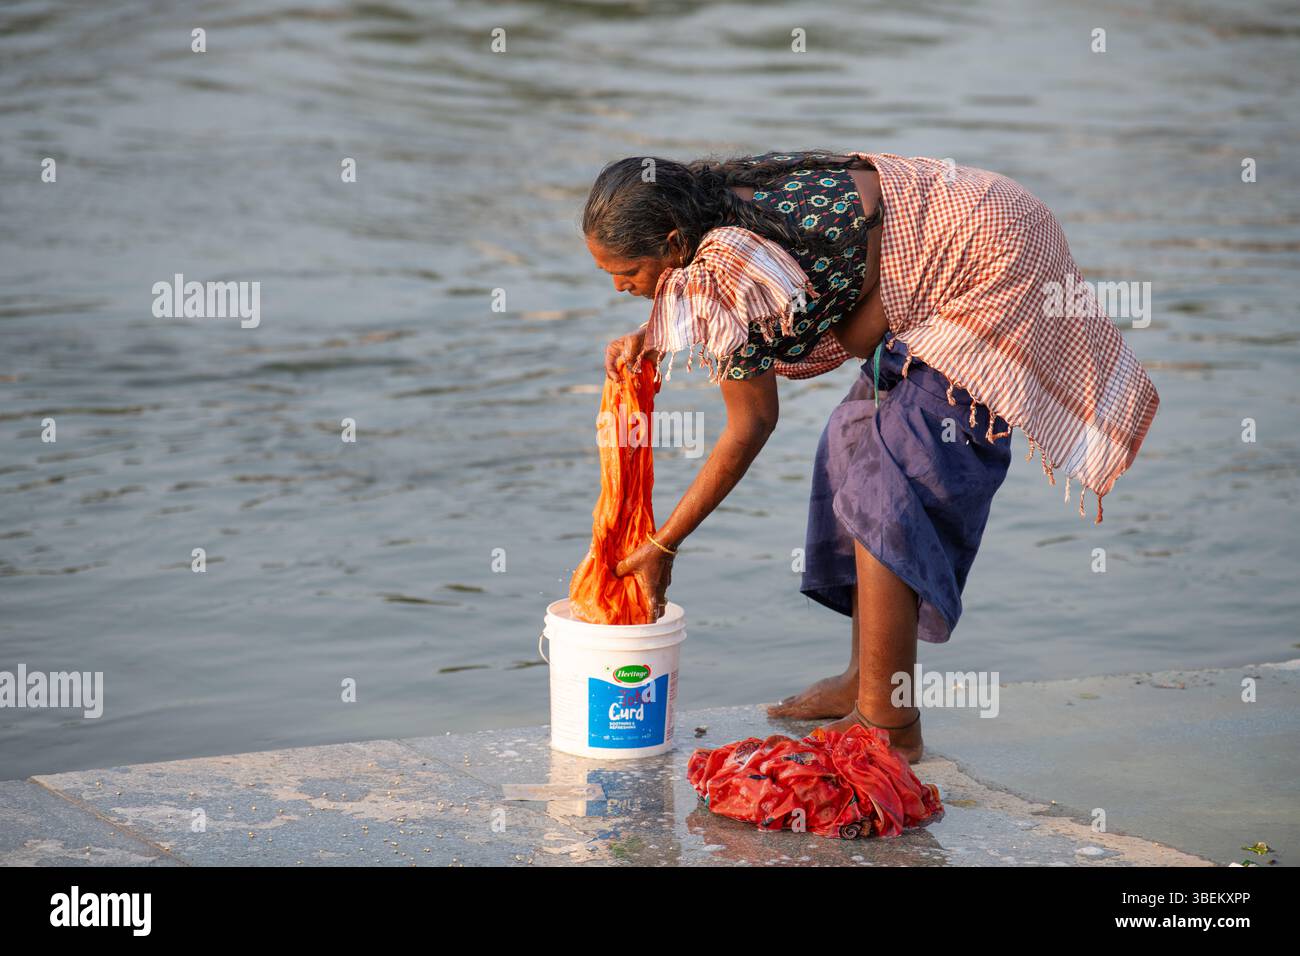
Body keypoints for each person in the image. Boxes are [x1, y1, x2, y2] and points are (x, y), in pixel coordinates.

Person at [582, 149, 1158, 764]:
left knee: (891, 474)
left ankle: (890, 722)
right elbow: (835, 300)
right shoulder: (716, 209)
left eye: (628, 271)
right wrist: (657, 332)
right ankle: (866, 680)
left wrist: (664, 545)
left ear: (674, 243)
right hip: (974, 222)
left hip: (989, 260)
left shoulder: (726, 276)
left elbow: (751, 423)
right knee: (851, 439)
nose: (621, 288)